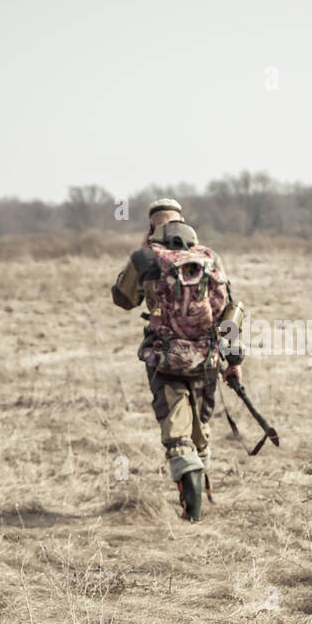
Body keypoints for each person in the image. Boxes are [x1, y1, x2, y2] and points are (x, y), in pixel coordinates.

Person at [112, 198, 243, 521]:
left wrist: (142, 256)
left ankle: (192, 515)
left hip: (165, 360)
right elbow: (231, 312)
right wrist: (234, 360)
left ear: (151, 226)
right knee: (200, 428)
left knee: (178, 434)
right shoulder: (209, 258)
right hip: (207, 359)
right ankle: (203, 496)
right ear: (183, 221)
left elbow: (123, 299)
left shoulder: (145, 258)